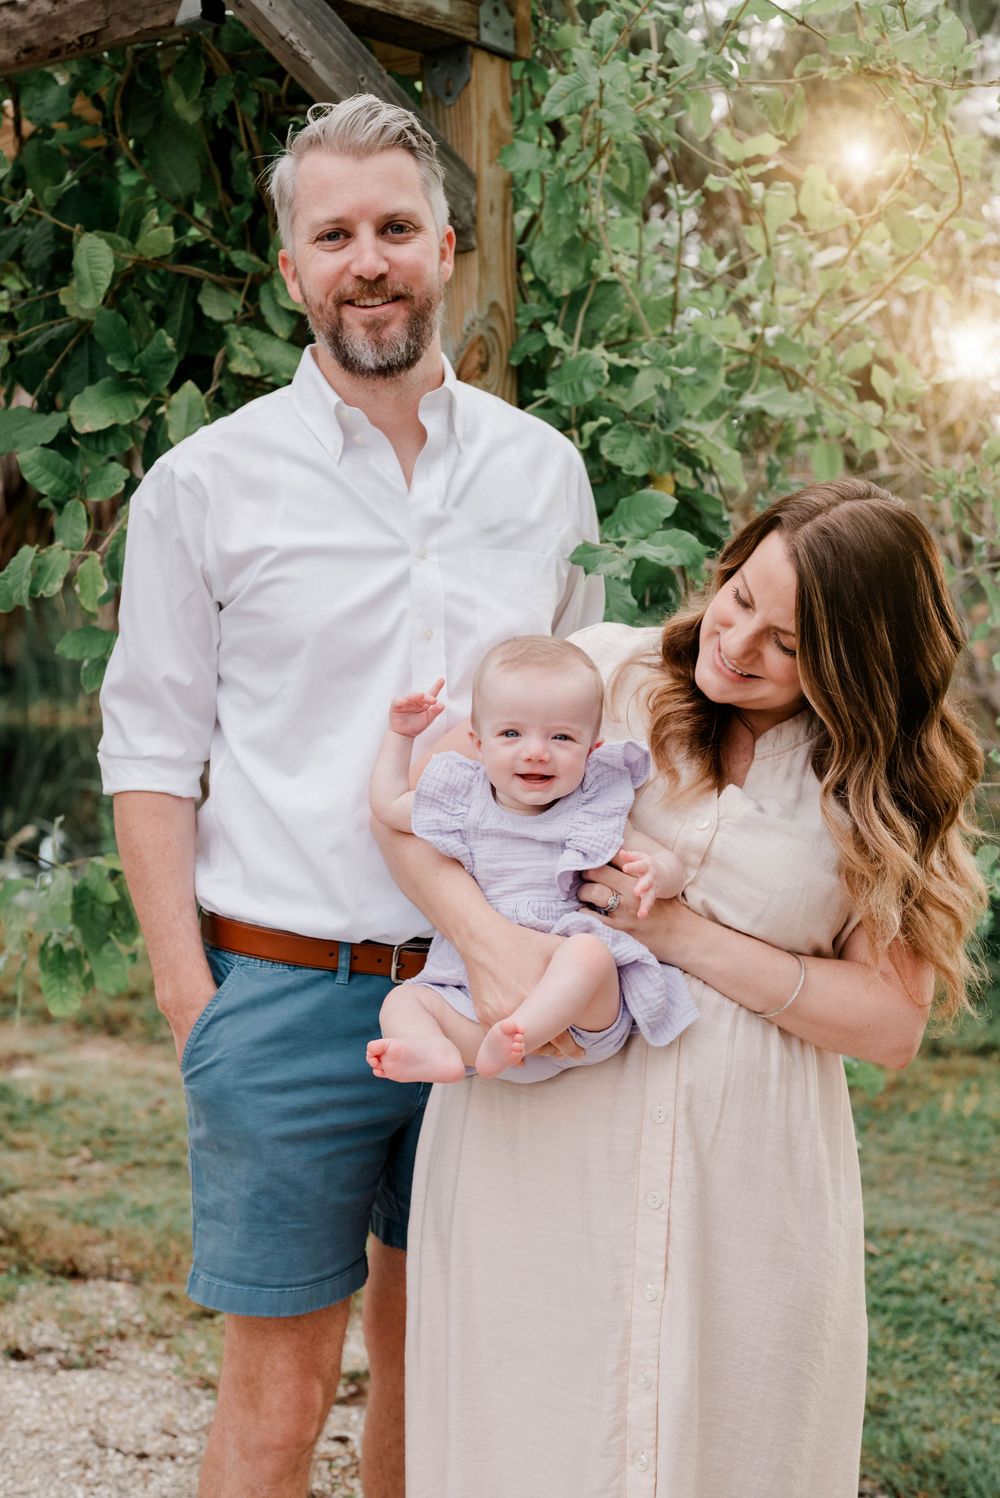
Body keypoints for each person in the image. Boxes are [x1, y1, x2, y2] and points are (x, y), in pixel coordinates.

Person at [97, 95, 603, 1498]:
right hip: (284, 995)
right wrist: (192, 993)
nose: (367, 259)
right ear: (292, 270)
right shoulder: (204, 487)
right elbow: (150, 746)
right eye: (334, 234)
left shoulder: (543, 475)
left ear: (446, 246)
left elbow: (589, 719)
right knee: (276, 1402)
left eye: (394, 228)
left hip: (495, 991)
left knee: (453, 1392)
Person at [375, 479, 986, 1498]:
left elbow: (887, 1024)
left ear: (857, 664)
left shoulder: (879, 790)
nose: (738, 643)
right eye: (741, 595)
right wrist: (486, 946)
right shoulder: (605, 676)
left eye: (788, 644)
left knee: (734, 1448)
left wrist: (676, 933)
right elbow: (411, 821)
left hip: (746, 1183)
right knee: (530, 1437)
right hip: (537, 1154)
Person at [366, 637, 696, 1084]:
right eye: (511, 734)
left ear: (592, 750)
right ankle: (434, 1051)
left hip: (577, 1018)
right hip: (476, 1004)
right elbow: (387, 808)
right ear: (477, 745)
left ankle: (522, 1029)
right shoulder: (464, 801)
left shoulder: (590, 808)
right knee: (401, 1003)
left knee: (589, 954)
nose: (536, 751)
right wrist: (400, 736)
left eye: (561, 736)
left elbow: (665, 863)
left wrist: (657, 873)